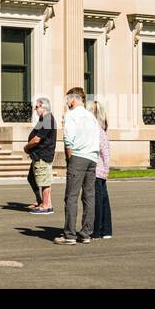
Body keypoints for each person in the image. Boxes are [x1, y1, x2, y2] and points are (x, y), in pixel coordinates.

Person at [56, 87, 100, 245]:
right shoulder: (92, 117)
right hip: (92, 158)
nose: (66, 102)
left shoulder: (71, 115)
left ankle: (69, 235)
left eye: (67, 99)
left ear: (74, 99)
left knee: (71, 197)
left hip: (79, 156)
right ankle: (86, 233)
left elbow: (69, 140)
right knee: (89, 196)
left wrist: (70, 159)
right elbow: (98, 138)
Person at [24, 97, 57, 215]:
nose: (35, 109)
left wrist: (27, 147)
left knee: (44, 180)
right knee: (32, 178)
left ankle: (47, 205)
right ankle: (40, 201)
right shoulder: (43, 119)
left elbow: (37, 139)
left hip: (43, 155)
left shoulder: (48, 119)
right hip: (37, 155)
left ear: (43, 107)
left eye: (37, 107)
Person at [88, 99, 113, 239]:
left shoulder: (96, 131)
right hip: (102, 169)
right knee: (103, 200)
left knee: (97, 201)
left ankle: (97, 230)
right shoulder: (102, 130)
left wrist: (105, 167)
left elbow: (104, 152)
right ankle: (106, 229)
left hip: (97, 169)